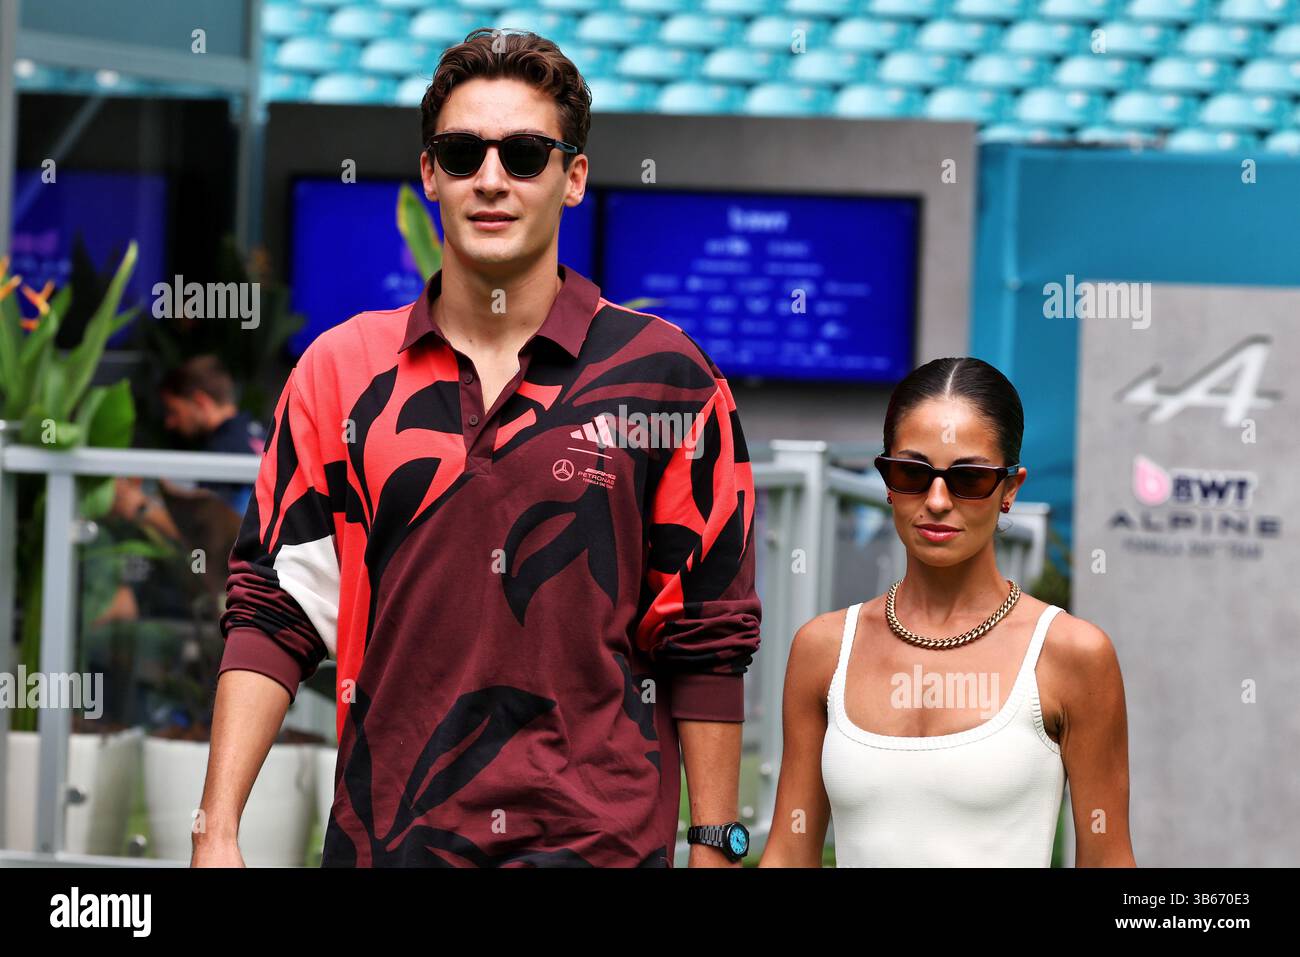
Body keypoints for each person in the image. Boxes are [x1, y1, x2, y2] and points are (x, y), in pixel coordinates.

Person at [193, 28, 761, 868]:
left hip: (599, 846)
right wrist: (218, 828)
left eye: (525, 154)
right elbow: (275, 609)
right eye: (462, 153)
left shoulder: (668, 375)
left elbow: (706, 634)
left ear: (573, 179)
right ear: (430, 174)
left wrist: (714, 847)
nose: (491, 179)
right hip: (386, 840)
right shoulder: (338, 371)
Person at [759, 357, 1135, 867]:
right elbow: (787, 853)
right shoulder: (823, 648)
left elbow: (1108, 859)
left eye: (970, 479)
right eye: (912, 473)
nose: (937, 501)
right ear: (886, 480)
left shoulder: (1072, 653)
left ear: (1010, 489)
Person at [157, 354, 266, 516]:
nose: (170, 422)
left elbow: (212, 533)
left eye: (174, 411)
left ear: (201, 402)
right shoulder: (263, 430)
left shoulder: (219, 456)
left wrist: (143, 510)